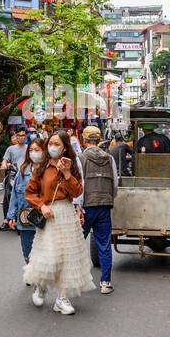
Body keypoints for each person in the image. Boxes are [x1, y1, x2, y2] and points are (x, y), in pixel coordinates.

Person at [23, 130, 92, 315]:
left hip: (67, 214)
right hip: (48, 214)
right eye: (50, 144)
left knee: (67, 259)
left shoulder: (71, 165)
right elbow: (30, 192)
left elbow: (77, 192)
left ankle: (62, 298)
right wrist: (41, 206)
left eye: (57, 144)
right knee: (49, 256)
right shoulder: (41, 167)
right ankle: (40, 285)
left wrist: (67, 172)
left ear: (64, 147)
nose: (53, 147)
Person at [79, 126, 118, 295]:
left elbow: (78, 185)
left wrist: (78, 206)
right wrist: (108, 197)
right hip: (104, 205)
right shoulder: (109, 158)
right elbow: (115, 184)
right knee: (104, 244)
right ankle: (105, 282)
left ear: (84, 139)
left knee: (77, 244)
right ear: (99, 138)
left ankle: (77, 281)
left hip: (86, 206)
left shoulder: (80, 158)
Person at [7, 138, 45, 272]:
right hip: (26, 217)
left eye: (37, 150)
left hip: (44, 217)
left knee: (44, 250)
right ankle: (31, 270)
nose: (34, 153)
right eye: (31, 150)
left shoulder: (48, 170)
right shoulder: (22, 171)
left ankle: (39, 273)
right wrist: (11, 216)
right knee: (27, 250)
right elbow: (14, 196)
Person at [0, 129, 26, 231]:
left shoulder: (29, 148)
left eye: (23, 135)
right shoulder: (11, 149)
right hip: (13, 174)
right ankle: (7, 219)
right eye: (19, 135)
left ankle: (25, 217)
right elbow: (5, 160)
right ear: (16, 136)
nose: (21, 137)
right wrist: (4, 164)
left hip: (26, 175)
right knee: (8, 195)